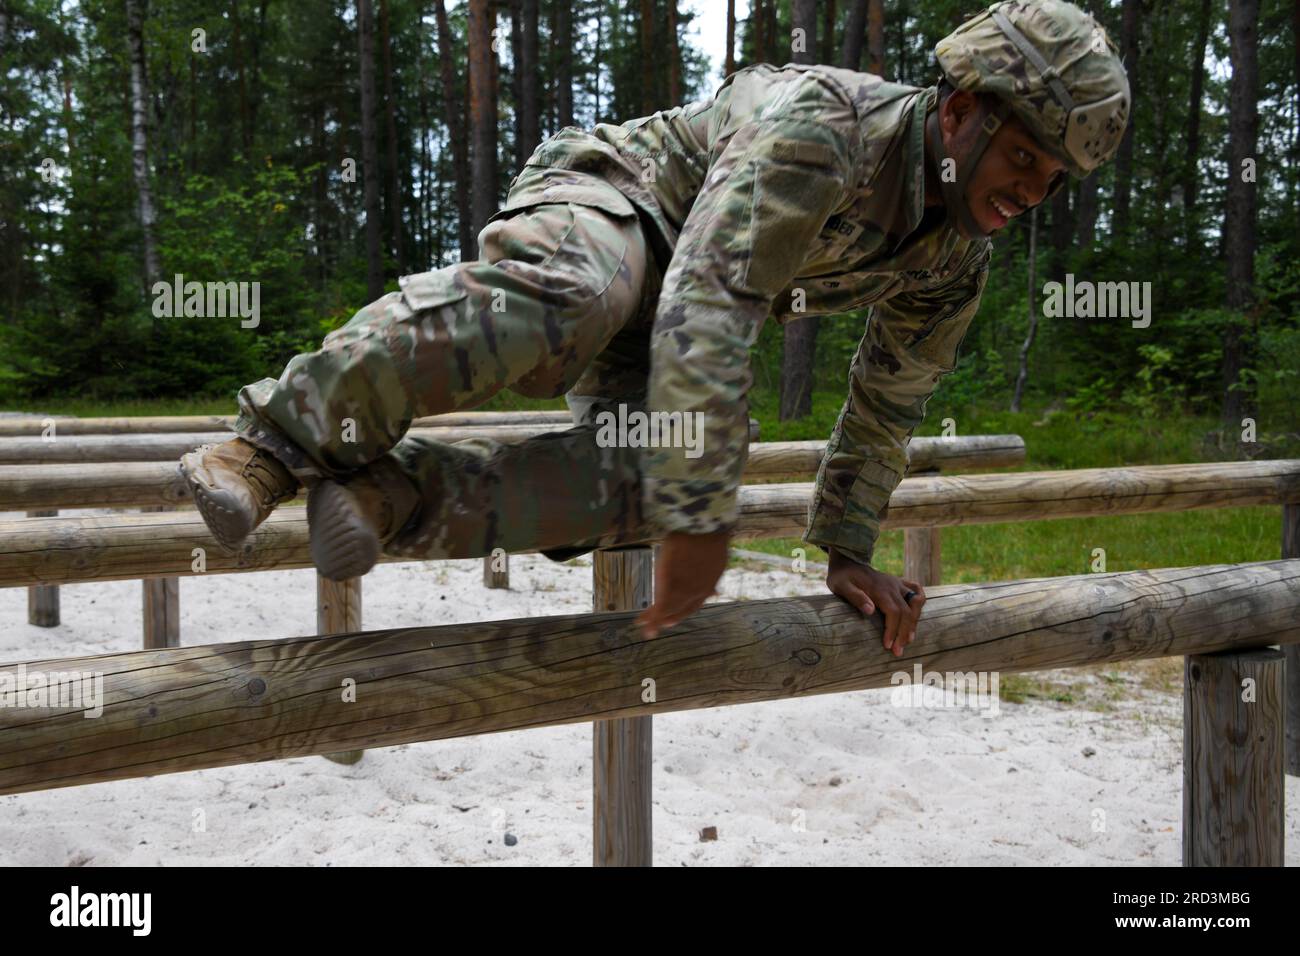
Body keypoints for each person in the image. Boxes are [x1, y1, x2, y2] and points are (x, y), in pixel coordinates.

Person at [180, 0, 1129, 653]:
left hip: (674, 309)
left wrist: (850, 549)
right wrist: (706, 517)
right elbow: (709, 300)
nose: (1028, 196)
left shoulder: (956, 257)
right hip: (620, 209)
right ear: (960, 111)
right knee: (580, 298)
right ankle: (269, 445)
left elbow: (890, 401)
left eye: (1052, 183)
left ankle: (387, 502)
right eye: (1020, 160)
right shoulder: (827, 126)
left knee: (634, 490)